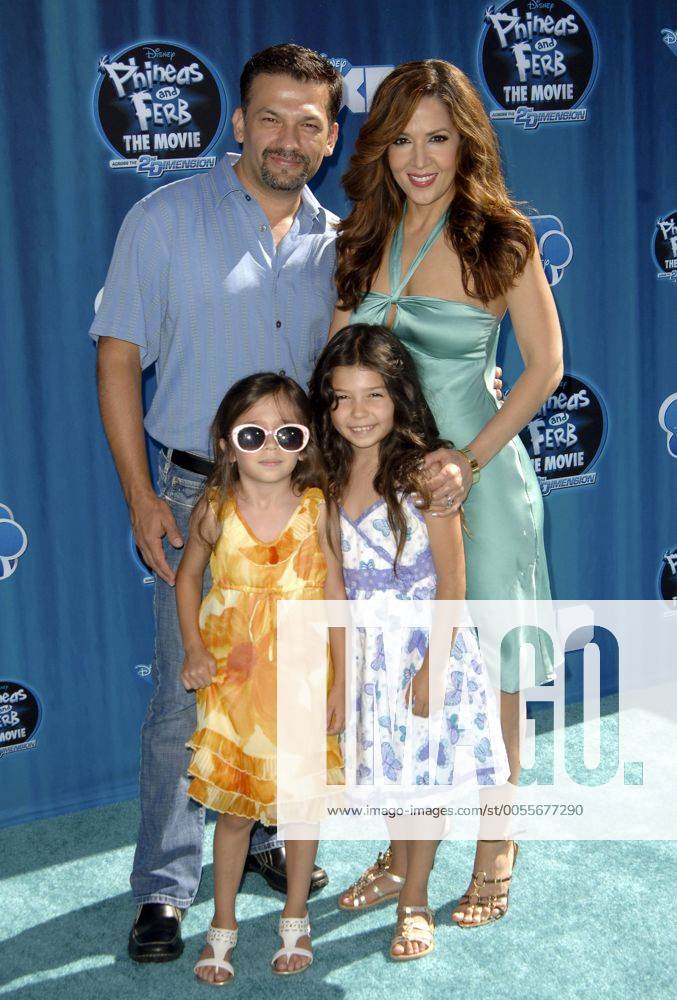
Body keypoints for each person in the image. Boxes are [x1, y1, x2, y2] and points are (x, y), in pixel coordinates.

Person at [90, 43, 344, 961]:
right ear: (238, 122)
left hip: (304, 500)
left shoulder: (340, 242)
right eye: (269, 117)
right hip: (197, 489)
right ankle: (165, 888)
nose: (287, 138)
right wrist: (138, 494)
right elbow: (118, 355)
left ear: (331, 135)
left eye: (308, 124)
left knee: (287, 684)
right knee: (184, 697)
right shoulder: (163, 219)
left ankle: (268, 832)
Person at [329, 59, 563, 927]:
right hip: (381, 496)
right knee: (400, 667)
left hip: (480, 482)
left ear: (466, 143)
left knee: (495, 666)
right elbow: (334, 369)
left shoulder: (501, 238)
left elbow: (544, 367)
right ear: (380, 148)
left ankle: (496, 841)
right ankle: (405, 848)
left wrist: (468, 457)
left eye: (437, 138)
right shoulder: (359, 240)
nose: (419, 159)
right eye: (402, 140)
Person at [309, 324, 509, 960]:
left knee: (425, 780)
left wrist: (434, 668)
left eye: (373, 394)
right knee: (393, 775)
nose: (358, 412)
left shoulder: (428, 472)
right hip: (369, 657)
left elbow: (453, 581)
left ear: (399, 395)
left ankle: (414, 899)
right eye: (342, 397)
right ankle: (398, 868)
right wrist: (341, 676)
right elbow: (334, 587)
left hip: (426, 649)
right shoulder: (327, 477)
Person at [176, 372, 344, 983]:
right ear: (226, 442)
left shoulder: (318, 508)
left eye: (287, 433)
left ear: (306, 442)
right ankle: (222, 922)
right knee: (234, 811)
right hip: (234, 685)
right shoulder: (214, 508)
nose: (271, 446)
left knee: (300, 805)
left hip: (303, 679)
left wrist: (340, 683)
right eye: (253, 434)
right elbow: (187, 578)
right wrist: (193, 647)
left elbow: (335, 595)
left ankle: (295, 915)